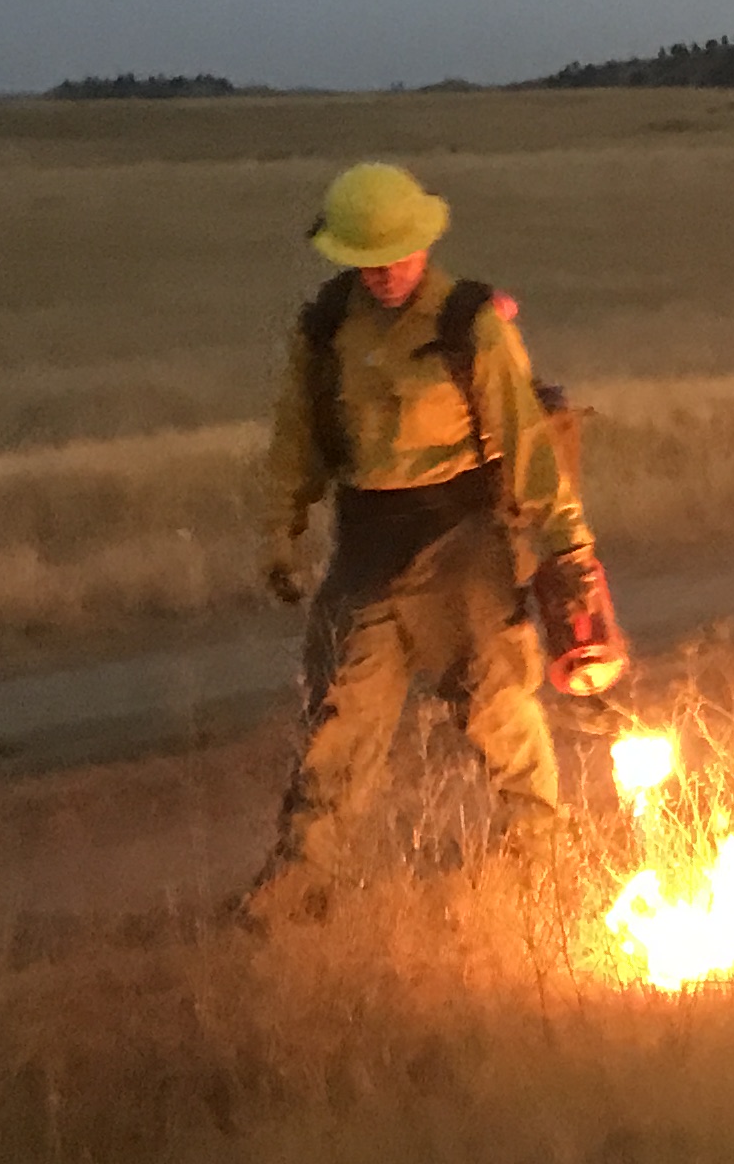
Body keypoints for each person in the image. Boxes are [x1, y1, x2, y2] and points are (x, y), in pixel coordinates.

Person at [243, 161, 624, 925]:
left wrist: (570, 551)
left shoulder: (470, 325)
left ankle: (539, 863)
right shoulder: (324, 330)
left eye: (398, 255)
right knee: (338, 716)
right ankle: (299, 886)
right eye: (369, 260)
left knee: (495, 702)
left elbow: (527, 445)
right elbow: (296, 438)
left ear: (424, 242)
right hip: (366, 542)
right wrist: (278, 533)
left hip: (463, 538)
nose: (386, 273)